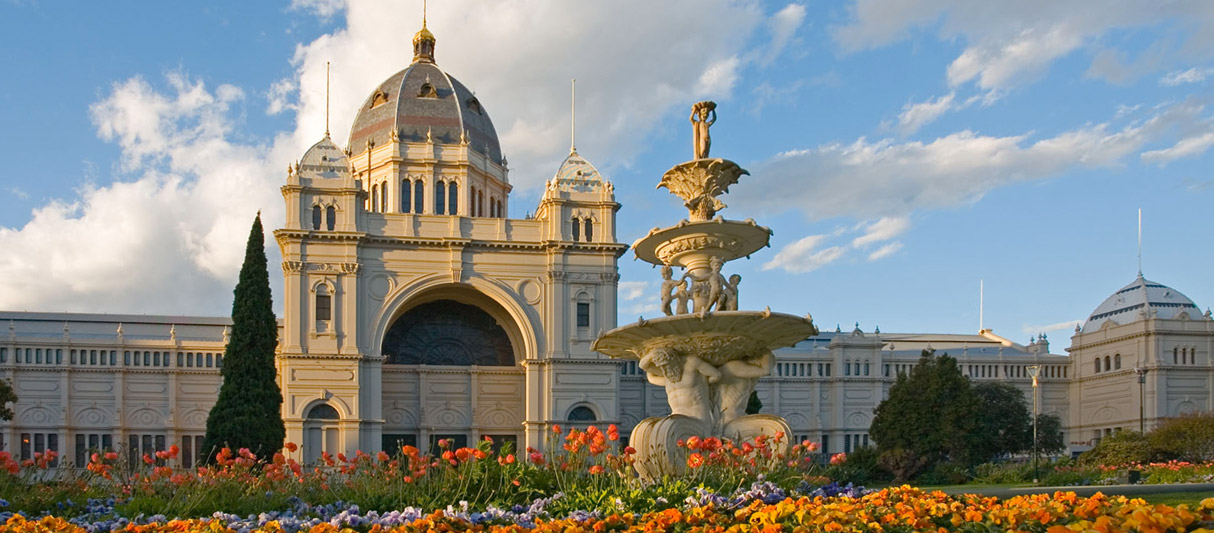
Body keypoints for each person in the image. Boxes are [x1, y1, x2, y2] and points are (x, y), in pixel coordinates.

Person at [639, 347, 720, 423]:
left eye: (665, 365)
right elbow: (643, 367)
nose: (664, 368)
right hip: (676, 417)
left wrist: (704, 384)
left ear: (673, 360)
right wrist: (653, 354)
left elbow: (716, 375)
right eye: (661, 366)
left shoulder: (691, 362)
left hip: (697, 414)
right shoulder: (668, 377)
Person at [716, 352, 773, 425]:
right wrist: (766, 354)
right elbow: (766, 371)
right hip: (730, 416)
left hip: (738, 415)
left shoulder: (745, 374)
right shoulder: (734, 366)